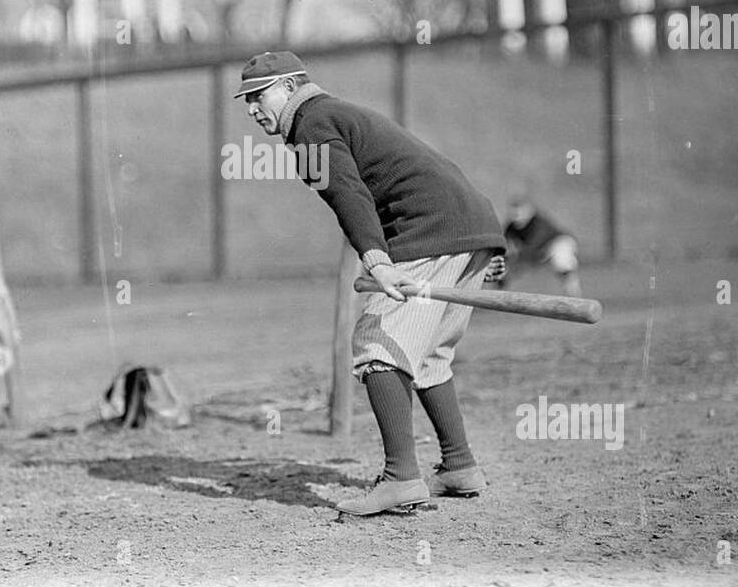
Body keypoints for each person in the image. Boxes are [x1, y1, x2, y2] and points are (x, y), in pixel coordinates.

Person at [236, 51, 507, 516]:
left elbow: (348, 194)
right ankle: (459, 465)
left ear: (288, 87)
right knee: (428, 353)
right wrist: (487, 247)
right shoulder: (338, 113)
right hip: (470, 223)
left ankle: (401, 478)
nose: (252, 109)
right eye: (247, 101)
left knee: (378, 344)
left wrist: (377, 261)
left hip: (432, 228)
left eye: (259, 96)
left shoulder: (311, 125)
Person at [496, 193, 583, 298]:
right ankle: (497, 296)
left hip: (558, 242)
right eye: (514, 213)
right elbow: (504, 245)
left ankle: (574, 296)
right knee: (506, 267)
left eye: (520, 212)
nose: (517, 217)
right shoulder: (512, 227)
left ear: (529, 211)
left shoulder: (538, 223)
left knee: (562, 263)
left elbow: (530, 250)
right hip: (540, 251)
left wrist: (512, 269)